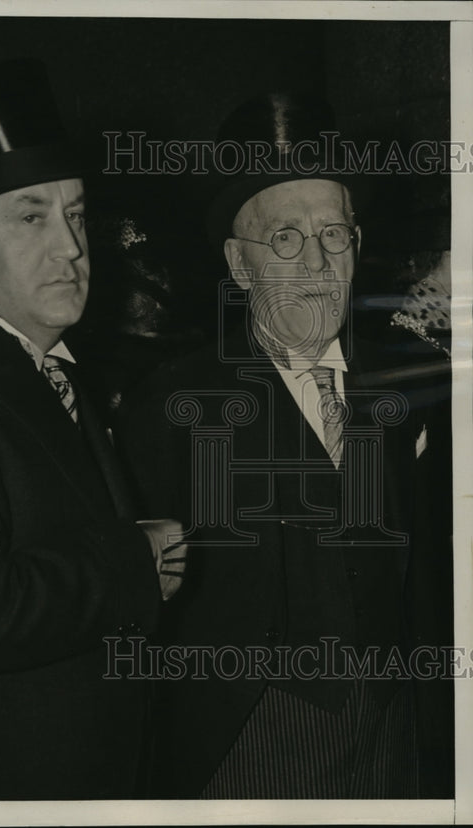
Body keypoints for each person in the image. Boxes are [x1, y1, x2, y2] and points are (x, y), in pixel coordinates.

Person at [118, 92, 451, 798]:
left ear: (357, 244)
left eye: (334, 233)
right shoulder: (174, 403)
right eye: (286, 239)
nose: (317, 262)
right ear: (240, 267)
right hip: (250, 742)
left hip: (397, 737)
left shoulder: (408, 382)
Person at [0, 58, 186, 801]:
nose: (72, 248)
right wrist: (134, 561)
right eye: (31, 218)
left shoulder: (53, 369)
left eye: (75, 215)